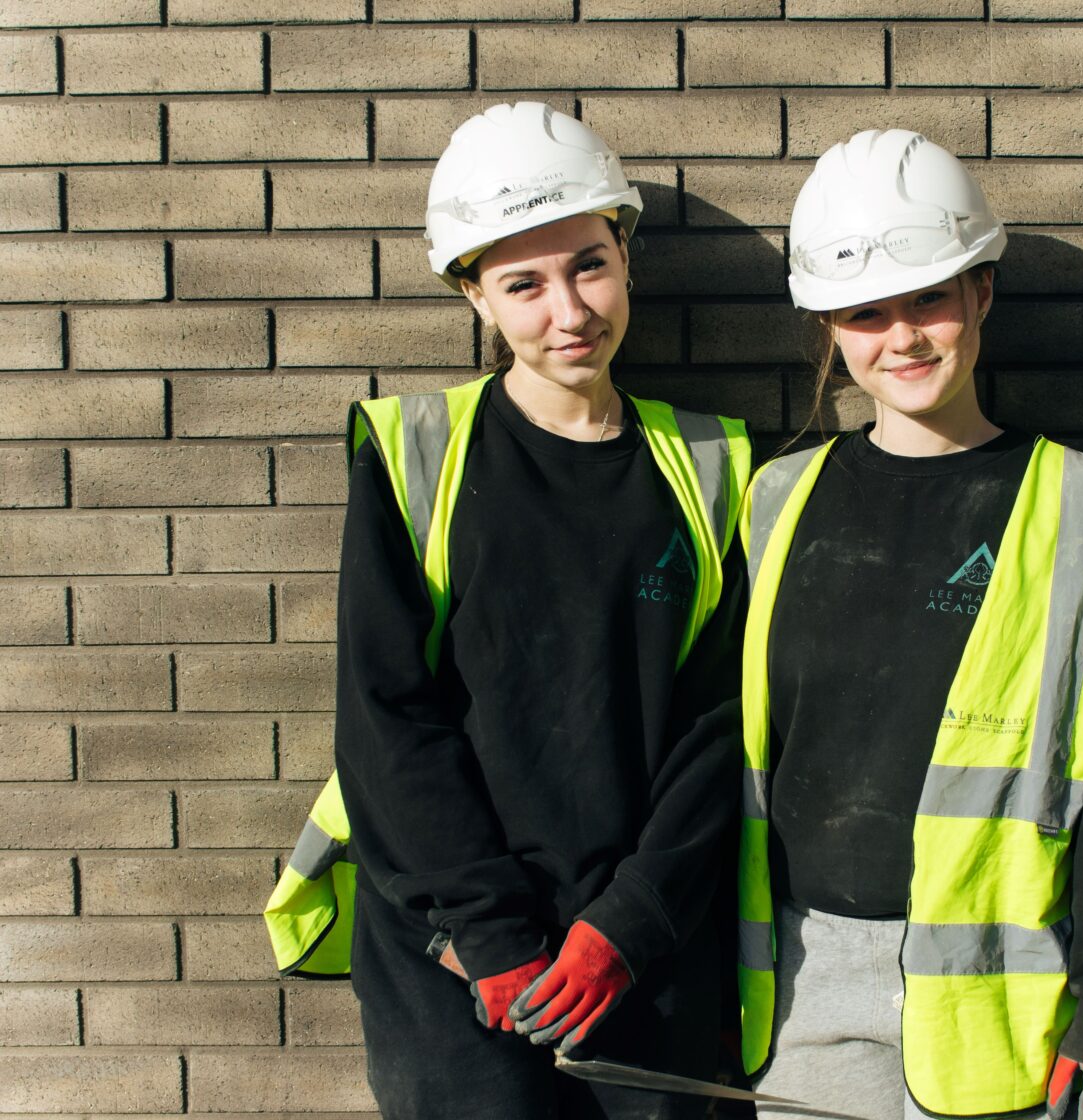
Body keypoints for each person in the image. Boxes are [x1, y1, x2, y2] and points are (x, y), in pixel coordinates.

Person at [263, 102, 752, 1119]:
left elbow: (724, 725)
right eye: (522, 284)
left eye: (588, 264)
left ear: (626, 253)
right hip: (456, 966)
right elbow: (386, 716)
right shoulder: (414, 452)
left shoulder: (713, 465)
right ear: (474, 295)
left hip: (645, 949)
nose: (568, 311)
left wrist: (628, 922)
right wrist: (489, 938)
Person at [733, 130, 1083, 1120]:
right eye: (867, 313)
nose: (905, 337)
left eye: (929, 297)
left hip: (1005, 998)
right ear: (830, 329)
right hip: (801, 985)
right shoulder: (775, 501)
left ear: (980, 292)